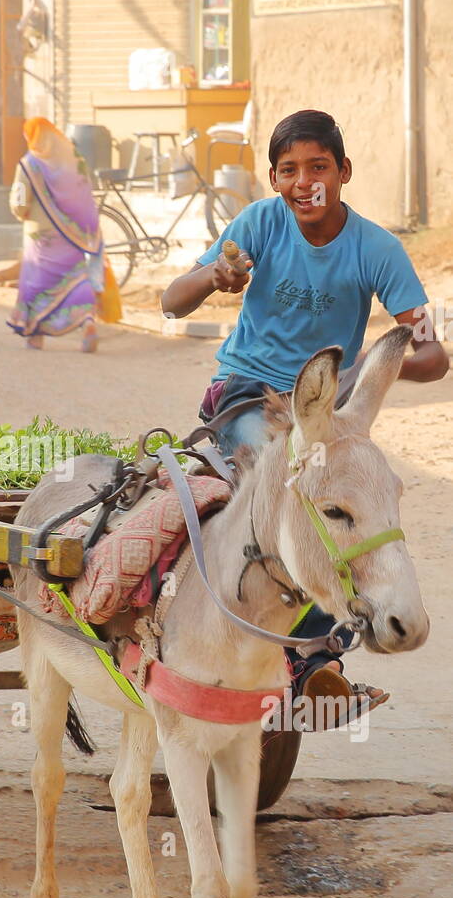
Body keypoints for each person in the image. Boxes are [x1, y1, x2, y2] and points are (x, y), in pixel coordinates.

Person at [161, 108, 448, 726]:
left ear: (344, 172)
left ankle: (318, 653)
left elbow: (432, 352)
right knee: (283, 492)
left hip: (327, 410)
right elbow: (170, 300)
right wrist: (215, 275)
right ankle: (290, 658)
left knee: (356, 502)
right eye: (289, 169)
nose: (304, 180)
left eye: (319, 166)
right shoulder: (260, 223)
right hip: (244, 394)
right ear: (273, 179)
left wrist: (373, 365)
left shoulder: (378, 249)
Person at [7, 117, 101, 352]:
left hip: (41, 237)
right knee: (76, 278)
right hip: (73, 235)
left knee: (37, 285)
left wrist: (22, 214)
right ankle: (87, 320)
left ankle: (35, 334)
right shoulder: (75, 161)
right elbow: (86, 196)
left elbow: (19, 202)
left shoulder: (30, 164)